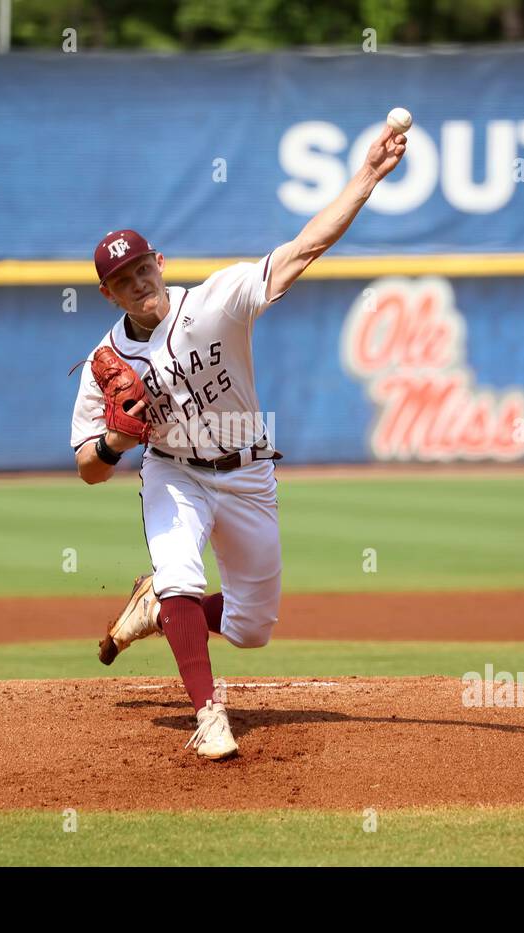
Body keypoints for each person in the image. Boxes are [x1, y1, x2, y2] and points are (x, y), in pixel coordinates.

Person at [69, 120, 408, 758]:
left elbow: (304, 247)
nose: (139, 283)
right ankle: (208, 712)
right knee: (181, 577)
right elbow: (89, 466)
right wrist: (117, 441)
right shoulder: (104, 361)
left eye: (144, 268)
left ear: (159, 263)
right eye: (124, 279)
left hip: (248, 471)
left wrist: (367, 175)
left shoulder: (217, 301)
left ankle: (158, 611)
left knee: (252, 630)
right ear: (107, 292)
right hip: (174, 473)